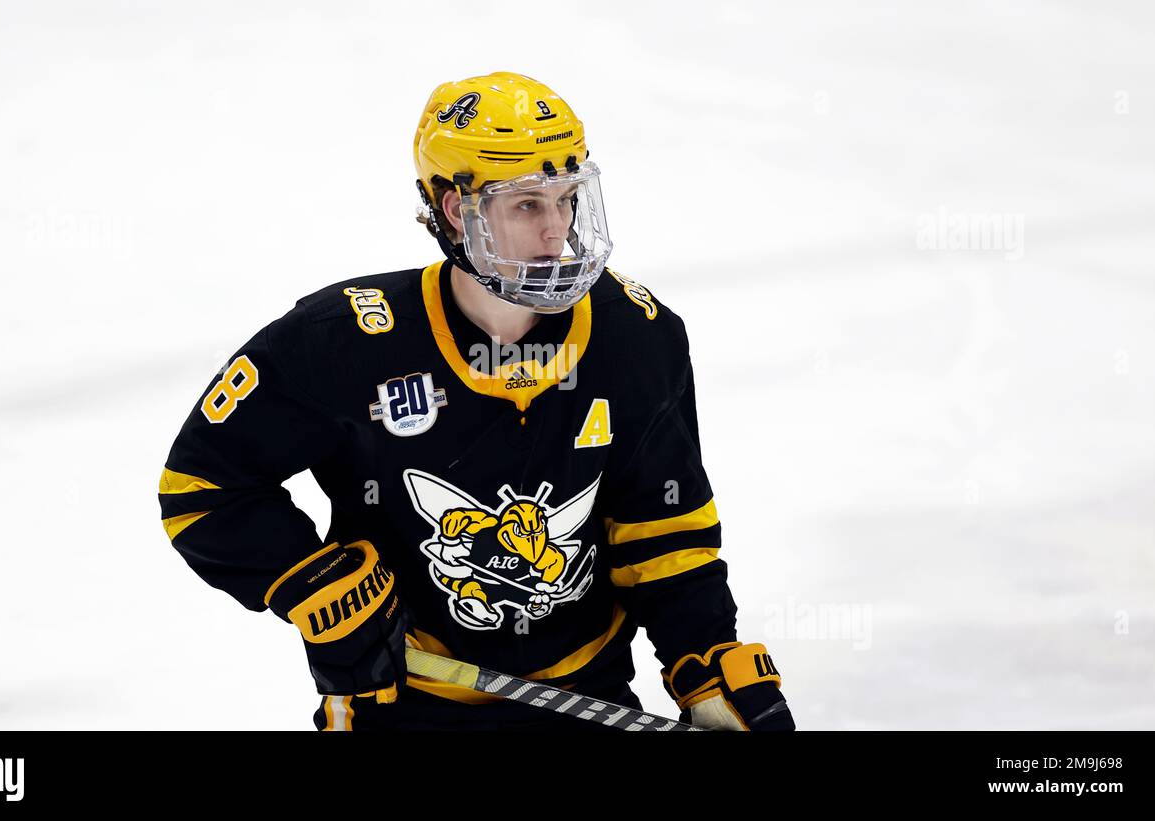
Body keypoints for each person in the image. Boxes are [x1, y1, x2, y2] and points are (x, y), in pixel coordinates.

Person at [157, 71, 795, 732]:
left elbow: (664, 533)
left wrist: (706, 659)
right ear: (458, 211)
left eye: (567, 198)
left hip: (586, 696)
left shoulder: (637, 336)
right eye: (526, 204)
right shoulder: (345, 342)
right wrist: (315, 582)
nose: (557, 230)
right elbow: (203, 484)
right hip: (402, 704)